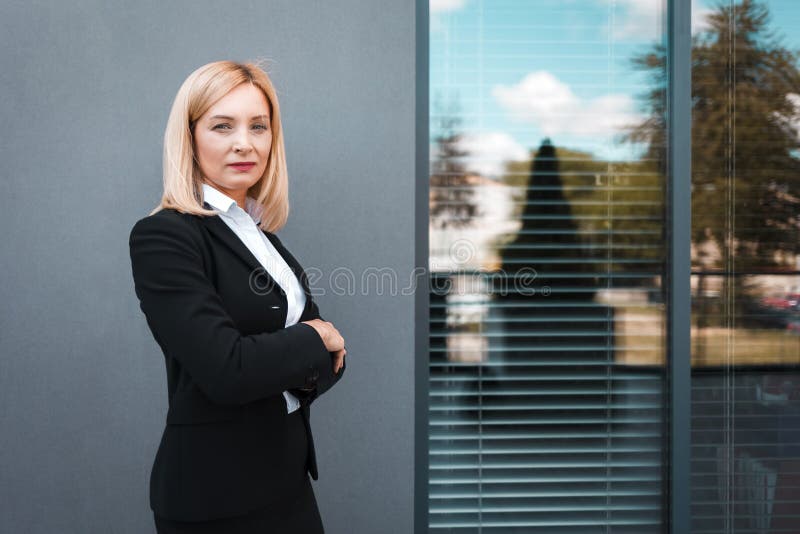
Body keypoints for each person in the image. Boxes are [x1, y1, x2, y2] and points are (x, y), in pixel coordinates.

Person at [128, 60, 346, 533]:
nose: (244, 142)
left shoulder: (261, 236)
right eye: (222, 125)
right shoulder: (164, 236)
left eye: (258, 126)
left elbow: (330, 365)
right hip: (215, 497)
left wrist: (305, 354)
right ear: (189, 136)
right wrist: (315, 338)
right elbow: (225, 370)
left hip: (286, 480)